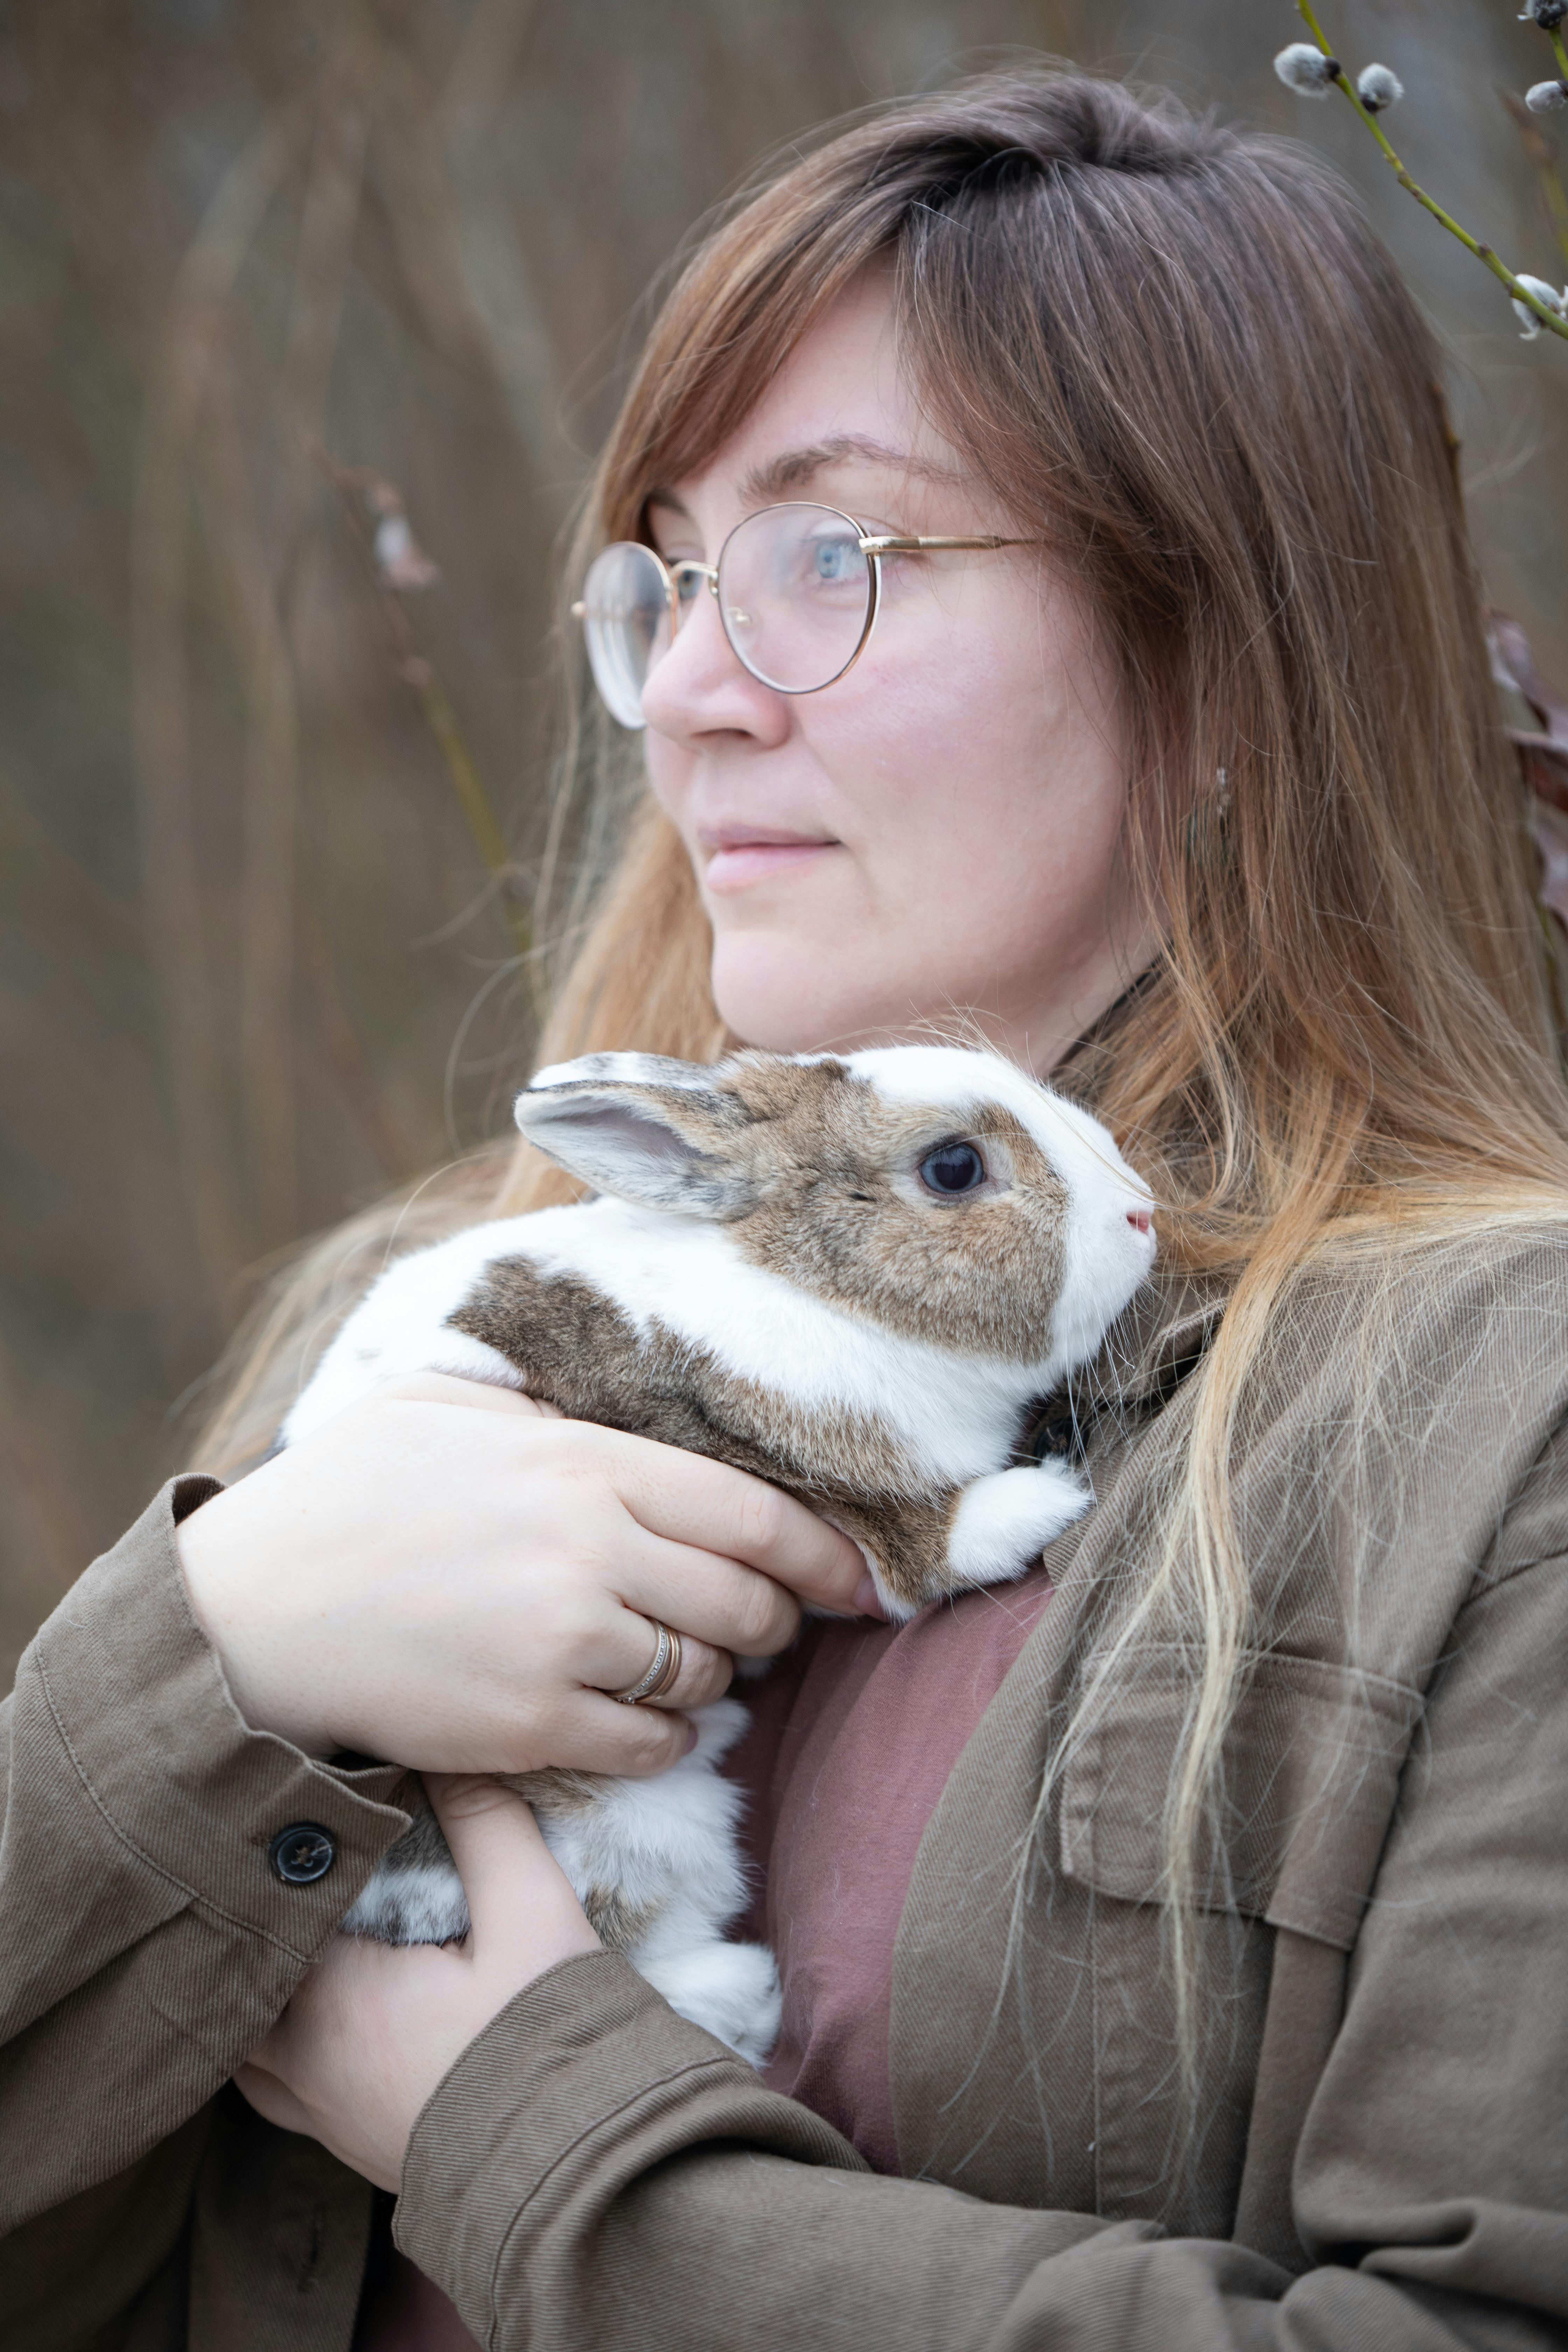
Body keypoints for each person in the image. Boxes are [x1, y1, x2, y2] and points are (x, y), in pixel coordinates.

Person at [4, 64, 1567, 2352]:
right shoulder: (425, 1338)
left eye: (837, 556)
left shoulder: (1495, 1432)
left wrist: (530, 2138)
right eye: (672, 578)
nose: (702, 696)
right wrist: (195, 1666)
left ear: (1227, 655)